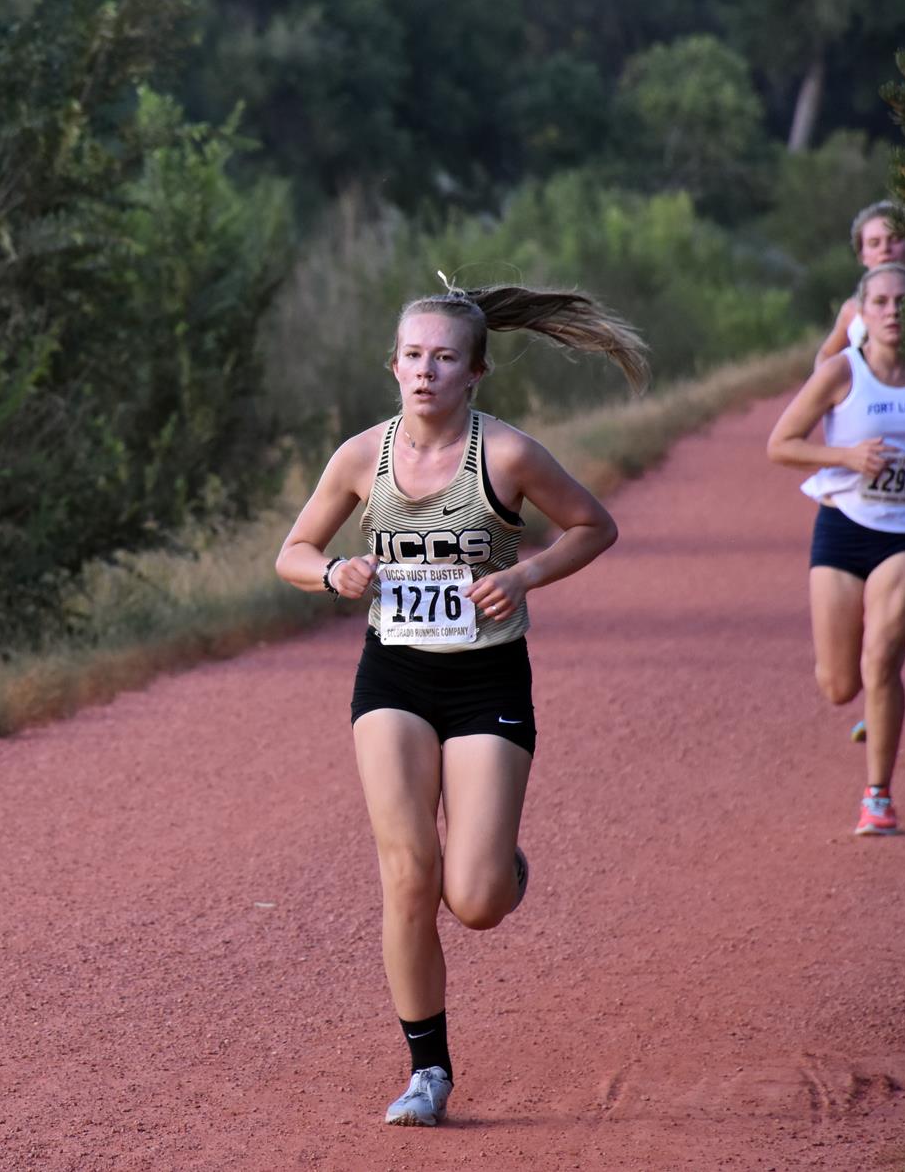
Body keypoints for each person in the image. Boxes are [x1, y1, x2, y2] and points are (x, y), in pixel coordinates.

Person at [275, 287, 648, 1127]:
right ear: (393, 365)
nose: (425, 370)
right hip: (394, 680)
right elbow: (292, 551)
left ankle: (500, 864)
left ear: (475, 371)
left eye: (444, 357)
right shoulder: (360, 457)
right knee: (407, 875)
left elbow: (593, 526)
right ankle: (427, 1070)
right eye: (412, 355)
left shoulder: (508, 456)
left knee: (473, 899)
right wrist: (334, 572)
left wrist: (521, 575)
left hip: (487, 682)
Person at [768, 262, 905, 837]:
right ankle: (871, 708)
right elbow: (781, 444)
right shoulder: (843, 372)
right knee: (840, 684)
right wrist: (847, 458)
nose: (893, 311)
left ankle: (878, 797)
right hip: (842, 527)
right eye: (881, 302)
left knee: (880, 661)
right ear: (862, 315)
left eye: (903, 301)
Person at [816, 202, 905, 732]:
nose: (883, 250)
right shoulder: (855, 311)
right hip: (863, 471)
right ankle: (883, 687)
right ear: (860, 254)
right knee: (874, 582)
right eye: (873, 244)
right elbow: (824, 363)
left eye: (893, 241)